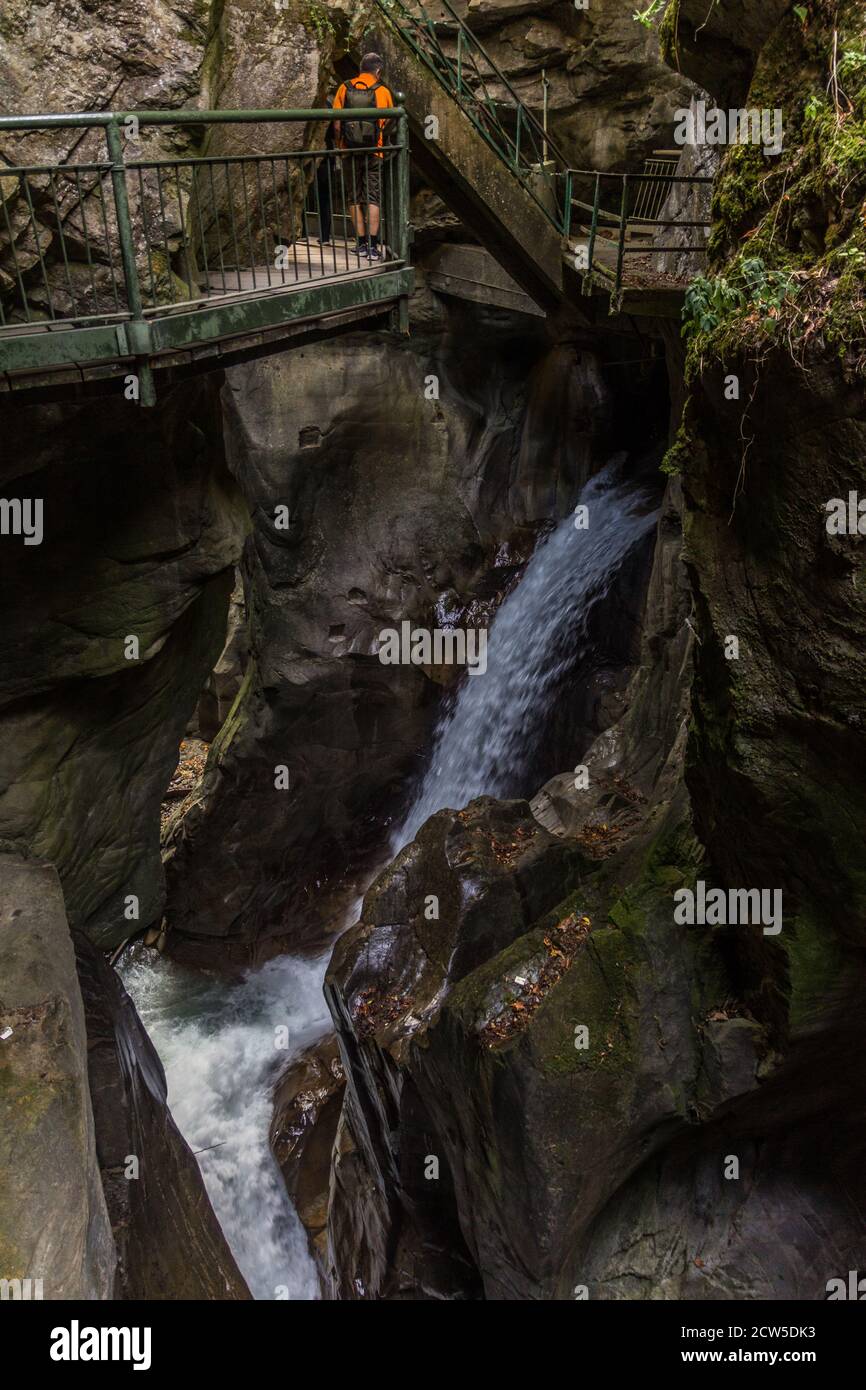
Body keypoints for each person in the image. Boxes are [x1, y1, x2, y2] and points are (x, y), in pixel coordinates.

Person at [332, 53, 394, 259]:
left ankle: (359, 244)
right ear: (378, 71)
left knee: (354, 196)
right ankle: (373, 247)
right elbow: (387, 122)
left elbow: (337, 123)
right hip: (373, 151)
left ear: (360, 68)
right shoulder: (382, 91)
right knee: (372, 197)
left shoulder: (345, 88)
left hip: (349, 150)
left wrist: (340, 144)